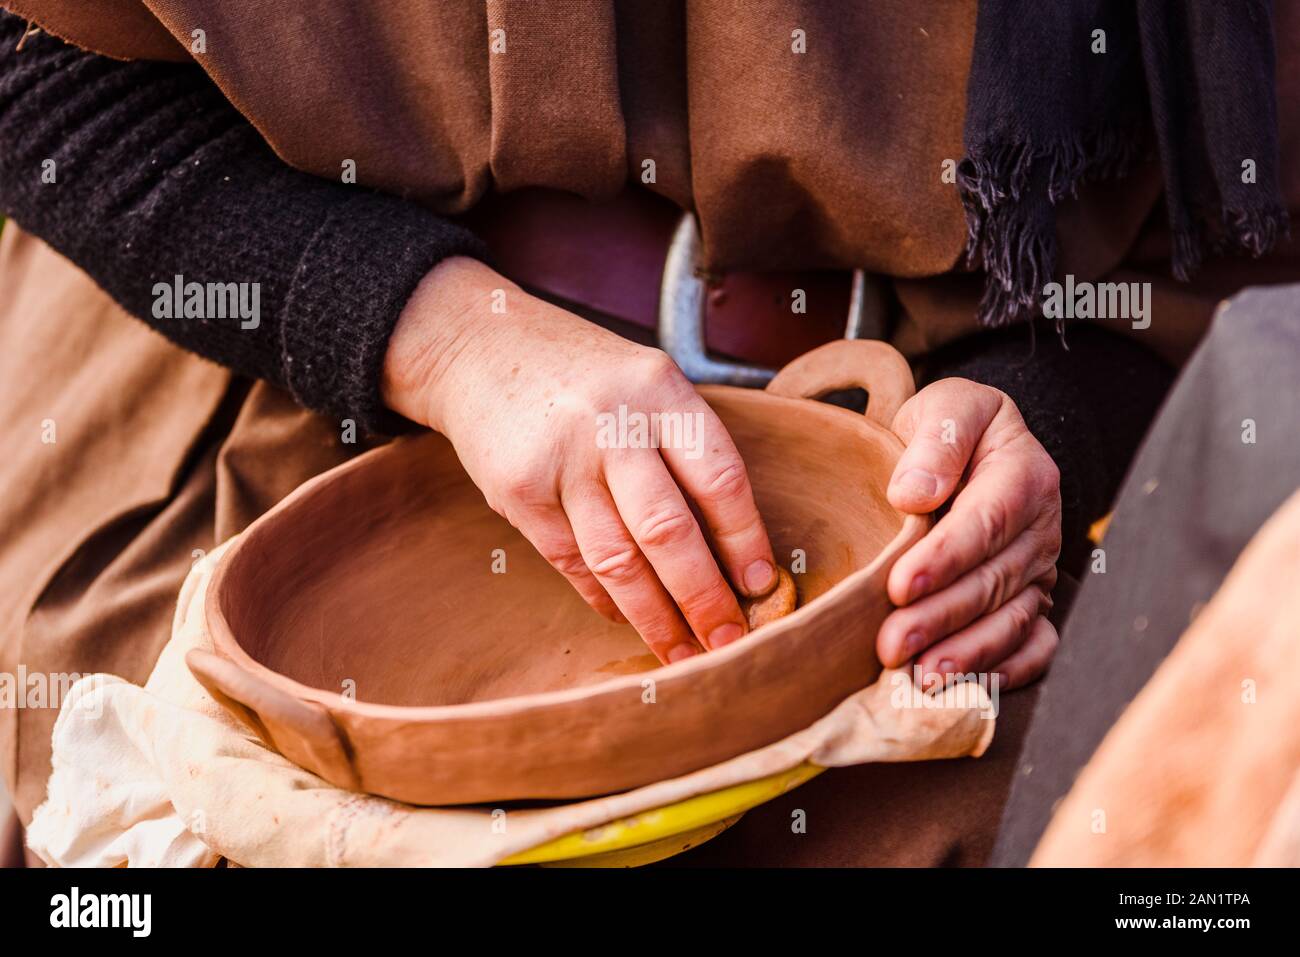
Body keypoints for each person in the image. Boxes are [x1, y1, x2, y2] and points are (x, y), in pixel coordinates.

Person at [0, 1, 1291, 866]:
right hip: (264, 421)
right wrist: (440, 336)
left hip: (910, 592)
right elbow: (29, 64)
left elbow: (1231, 225)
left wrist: (1043, 420)